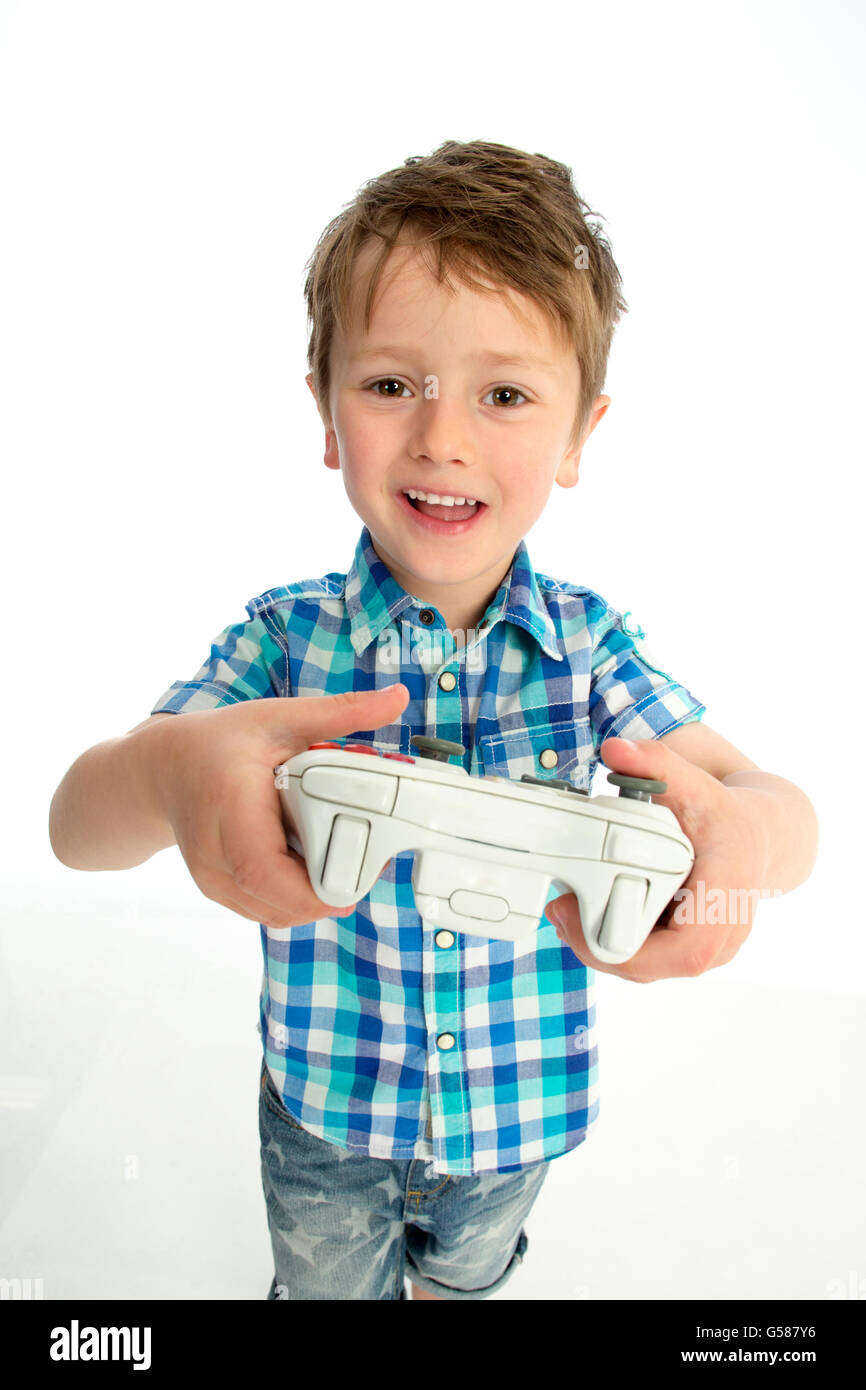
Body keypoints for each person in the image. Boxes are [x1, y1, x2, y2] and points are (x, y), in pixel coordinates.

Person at [49, 139, 819, 1301]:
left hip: (517, 1118)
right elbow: (73, 824)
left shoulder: (592, 650)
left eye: (503, 394)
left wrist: (743, 852)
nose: (441, 438)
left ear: (576, 437)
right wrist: (164, 776)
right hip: (326, 1112)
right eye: (390, 383)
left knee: (465, 1284)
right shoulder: (279, 643)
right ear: (324, 411)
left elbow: (779, 810)